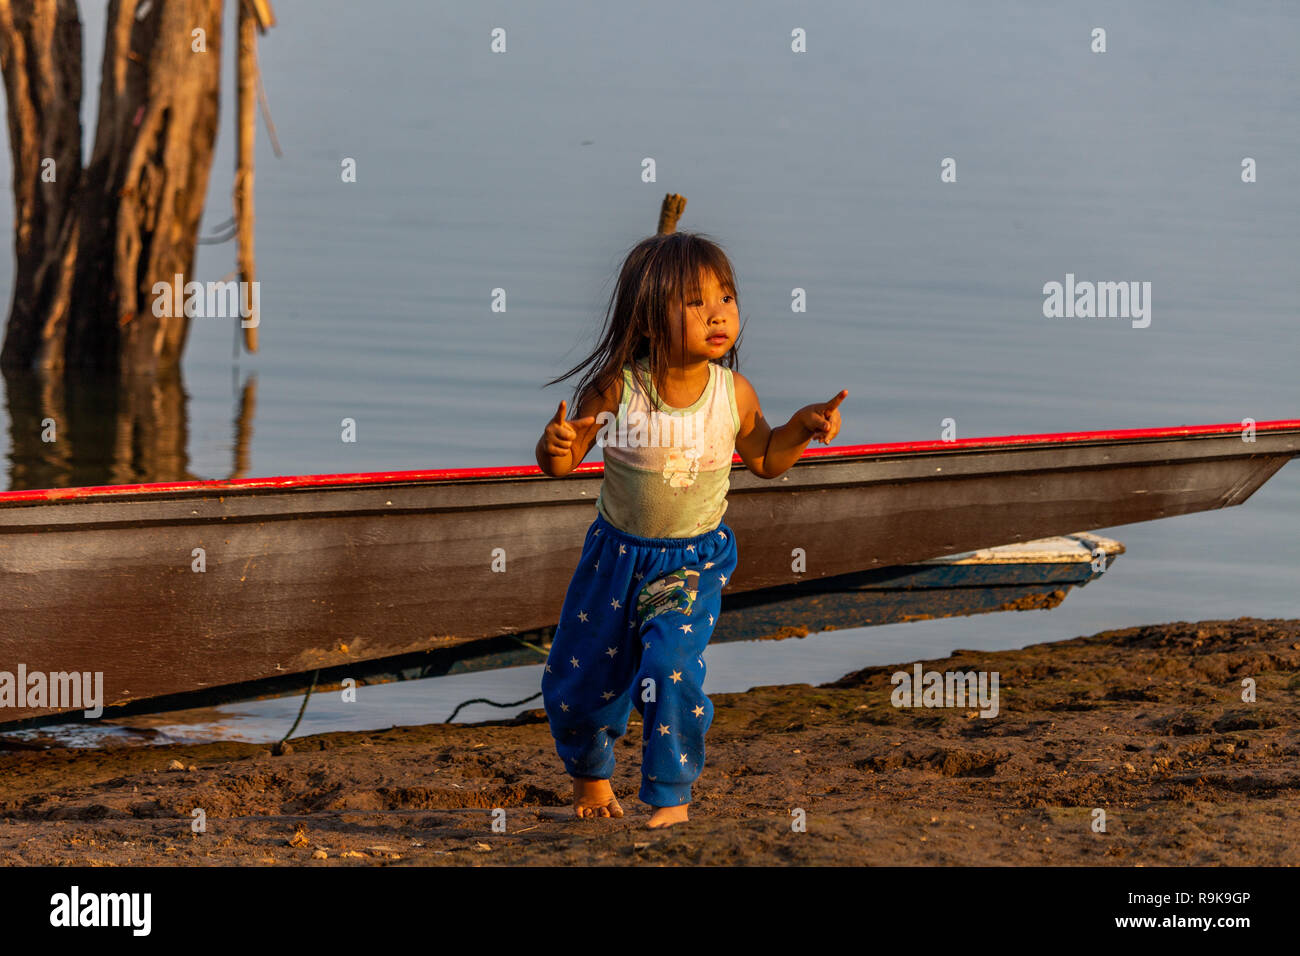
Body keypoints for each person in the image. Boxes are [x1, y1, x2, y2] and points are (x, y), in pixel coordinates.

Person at [535, 231, 846, 828]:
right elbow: (564, 459)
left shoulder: (733, 395)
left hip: (691, 563)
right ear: (650, 321)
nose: (719, 313)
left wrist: (802, 428)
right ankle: (593, 782)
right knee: (581, 676)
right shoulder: (621, 387)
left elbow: (766, 459)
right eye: (696, 302)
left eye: (725, 297)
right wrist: (553, 446)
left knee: (668, 666)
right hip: (615, 559)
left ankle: (670, 798)